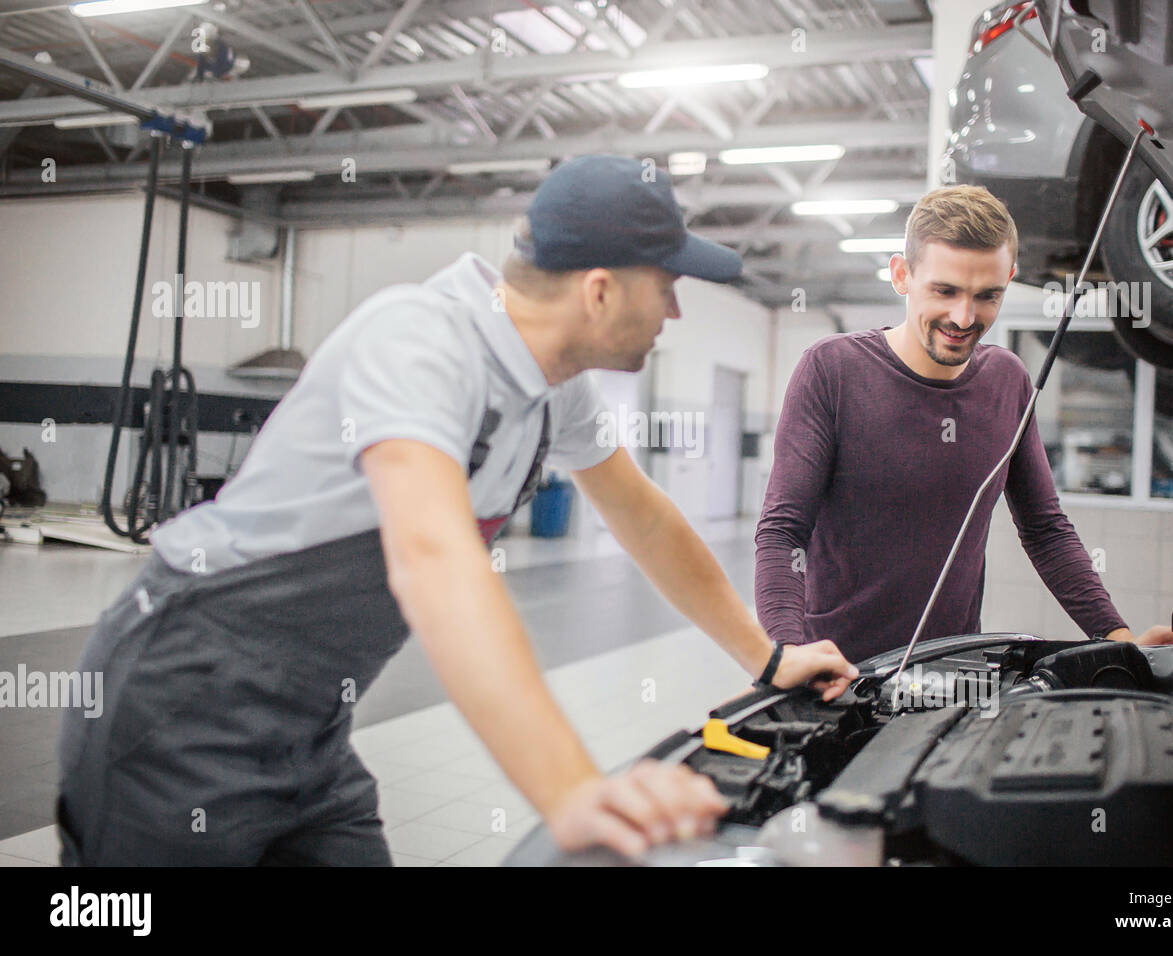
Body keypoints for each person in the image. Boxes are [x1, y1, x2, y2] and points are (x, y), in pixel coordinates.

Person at [57, 154, 858, 866]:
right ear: (600, 289)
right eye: (668, 287)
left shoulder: (555, 390)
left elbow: (642, 517)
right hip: (177, 706)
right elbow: (433, 562)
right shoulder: (420, 340)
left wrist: (765, 657)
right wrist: (572, 790)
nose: (675, 313)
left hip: (307, 737)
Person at [755, 184, 1173, 664]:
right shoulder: (831, 371)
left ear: (1009, 279)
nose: (964, 317)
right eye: (945, 291)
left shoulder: (1008, 380)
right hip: (838, 671)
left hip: (956, 666)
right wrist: (789, 652)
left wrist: (1119, 640)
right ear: (902, 275)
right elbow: (782, 532)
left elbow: (1045, 530)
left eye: (987, 296)